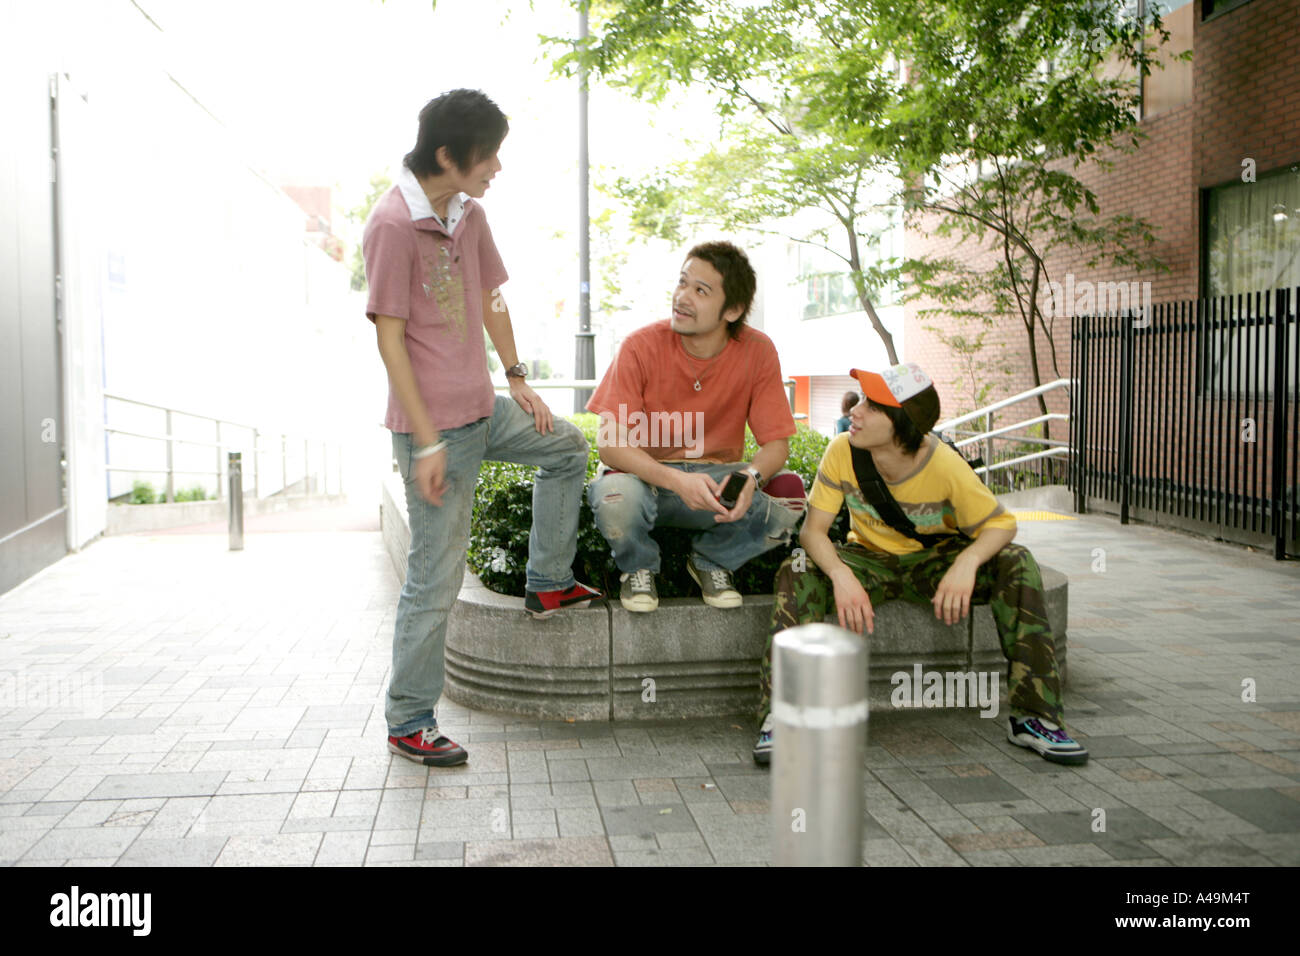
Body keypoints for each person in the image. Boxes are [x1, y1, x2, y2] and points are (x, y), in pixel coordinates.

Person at [364, 89, 600, 768]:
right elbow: (391, 341)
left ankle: (546, 580)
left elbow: (492, 297)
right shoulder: (390, 224)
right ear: (448, 154)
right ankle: (409, 719)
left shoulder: (470, 215)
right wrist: (427, 440)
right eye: (487, 154)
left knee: (566, 446)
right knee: (434, 579)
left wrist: (519, 378)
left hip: (481, 409)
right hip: (431, 431)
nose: (496, 165)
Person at [752, 362, 1086, 767]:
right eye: (860, 400)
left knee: (1015, 562)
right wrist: (841, 574)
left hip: (935, 562)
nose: (855, 411)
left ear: (902, 424)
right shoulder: (843, 450)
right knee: (799, 569)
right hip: (868, 560)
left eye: (872, 406)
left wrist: (968, 562)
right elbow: (813, 531)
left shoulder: (944, 465)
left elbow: (1001, 524)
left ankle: (1035, 717)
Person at [586, 241, 805, 612]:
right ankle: (638, 568)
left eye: (700, 291)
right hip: (647, 480)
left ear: (732, 310)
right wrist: (675, 480)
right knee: (615, 496)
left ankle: (712, 560)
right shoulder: (639, 345)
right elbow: (609, 445)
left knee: (790, 493)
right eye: (682, 282)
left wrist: (750, 478)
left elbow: (776, 445)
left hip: (715, 485)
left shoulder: (758, 351)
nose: (682, 297)